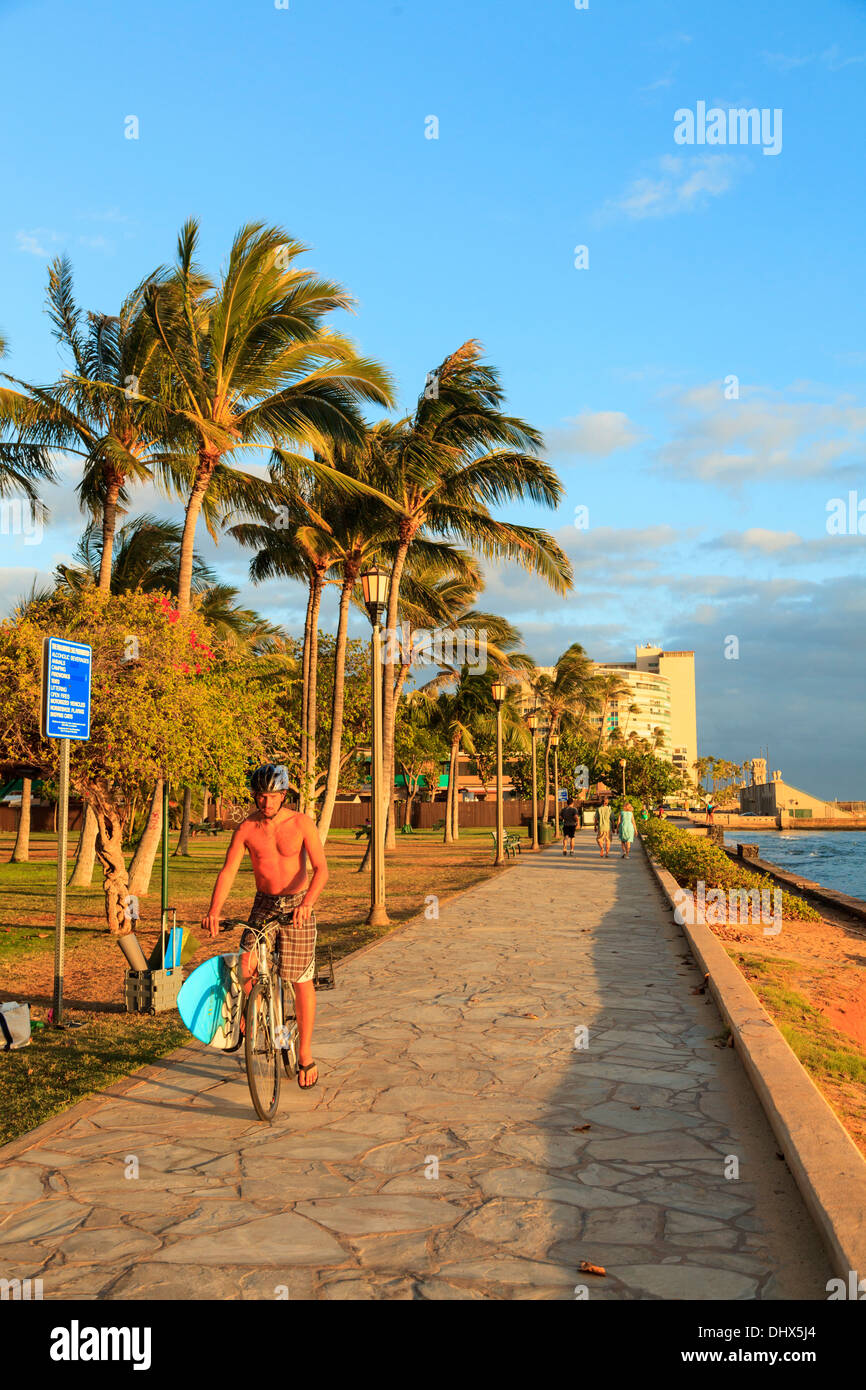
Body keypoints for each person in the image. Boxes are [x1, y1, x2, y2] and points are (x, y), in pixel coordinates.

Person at [202, 764, 328, 1089]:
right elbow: (229, 870)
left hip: (297, 903)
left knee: (300, 979)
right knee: (245, 965)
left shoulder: (301, 823)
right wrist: (214, 910)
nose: (266, 802)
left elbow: (322, 870)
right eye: (261, 795)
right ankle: (260, 1015)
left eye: (272, 796)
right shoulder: (246, 828)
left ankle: (304, 1053)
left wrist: (307, 904)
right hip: (264, 903)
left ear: (283, 795)